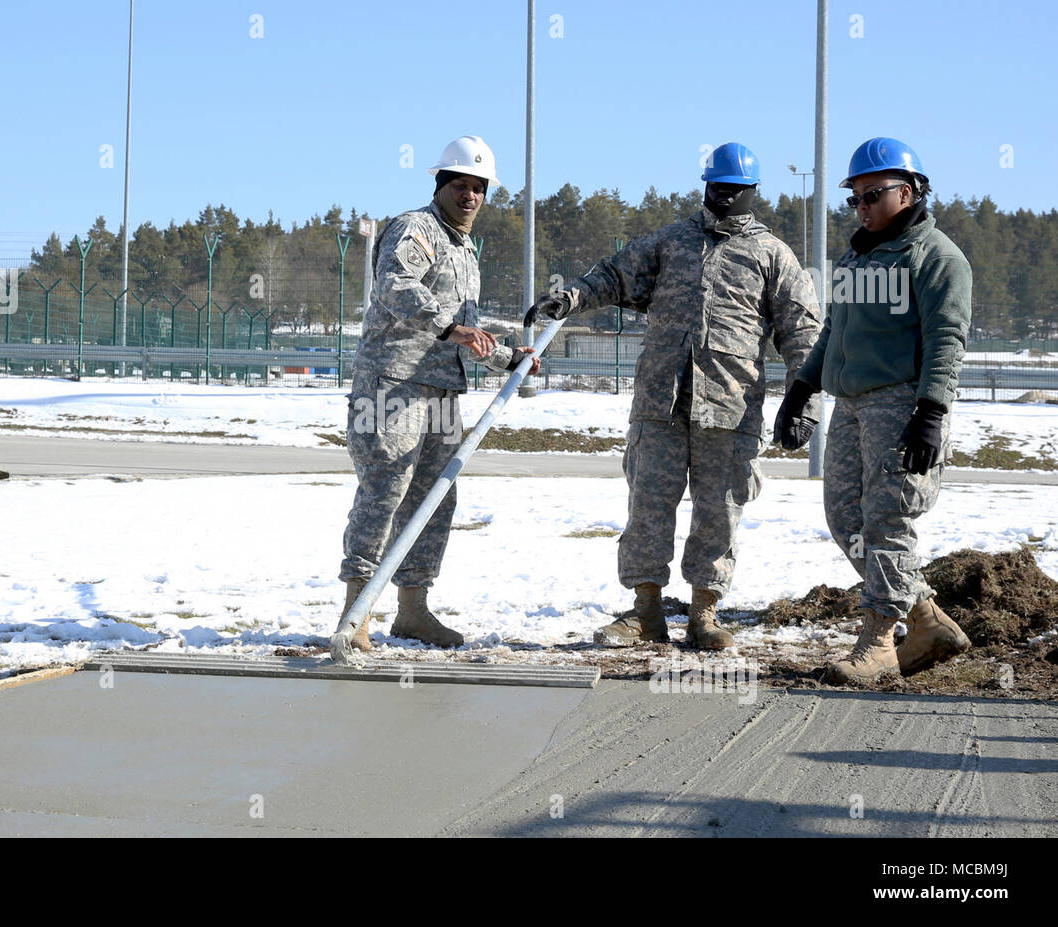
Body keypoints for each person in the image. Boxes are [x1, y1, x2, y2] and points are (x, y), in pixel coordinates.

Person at [533, 142, 821, 649]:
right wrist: (570, 297)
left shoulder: (772, 254)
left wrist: (805, 400)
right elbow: (614, 275)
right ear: (705, 186)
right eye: (716, 188)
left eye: (735, 190)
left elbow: (802, 330)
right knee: (647, 506)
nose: (724, 197)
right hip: (660, 404)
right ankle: (645, 611)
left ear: (753, 192)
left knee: (719, 511)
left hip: (730, 409)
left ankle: (704, 614)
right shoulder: (671, 241)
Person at [777, 137, 973, 685]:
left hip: (902, 402)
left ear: (906, 193)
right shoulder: (857, 256)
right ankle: (928, 621)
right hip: (853, 404)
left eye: (872, 195)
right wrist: (802, 388)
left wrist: (930, 412)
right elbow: (834, 331)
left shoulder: (938, 258)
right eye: (855, 198)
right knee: (847, 519)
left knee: (888, 521)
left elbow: (946, 340)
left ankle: (879, 641)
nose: (861, 207)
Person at [338, 135, 539, 650]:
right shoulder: (416, 229)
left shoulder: (466, 249)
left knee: (434, 501)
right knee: (385, 493)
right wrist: (452, 328)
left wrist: (508, 360)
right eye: (461, 185)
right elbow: (395, 287)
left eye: (479, 188)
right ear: (441, 184)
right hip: (393, 386)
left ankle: (412, 611)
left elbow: (466, 331)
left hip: (443, 393)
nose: (470, 196)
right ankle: (354, 614)